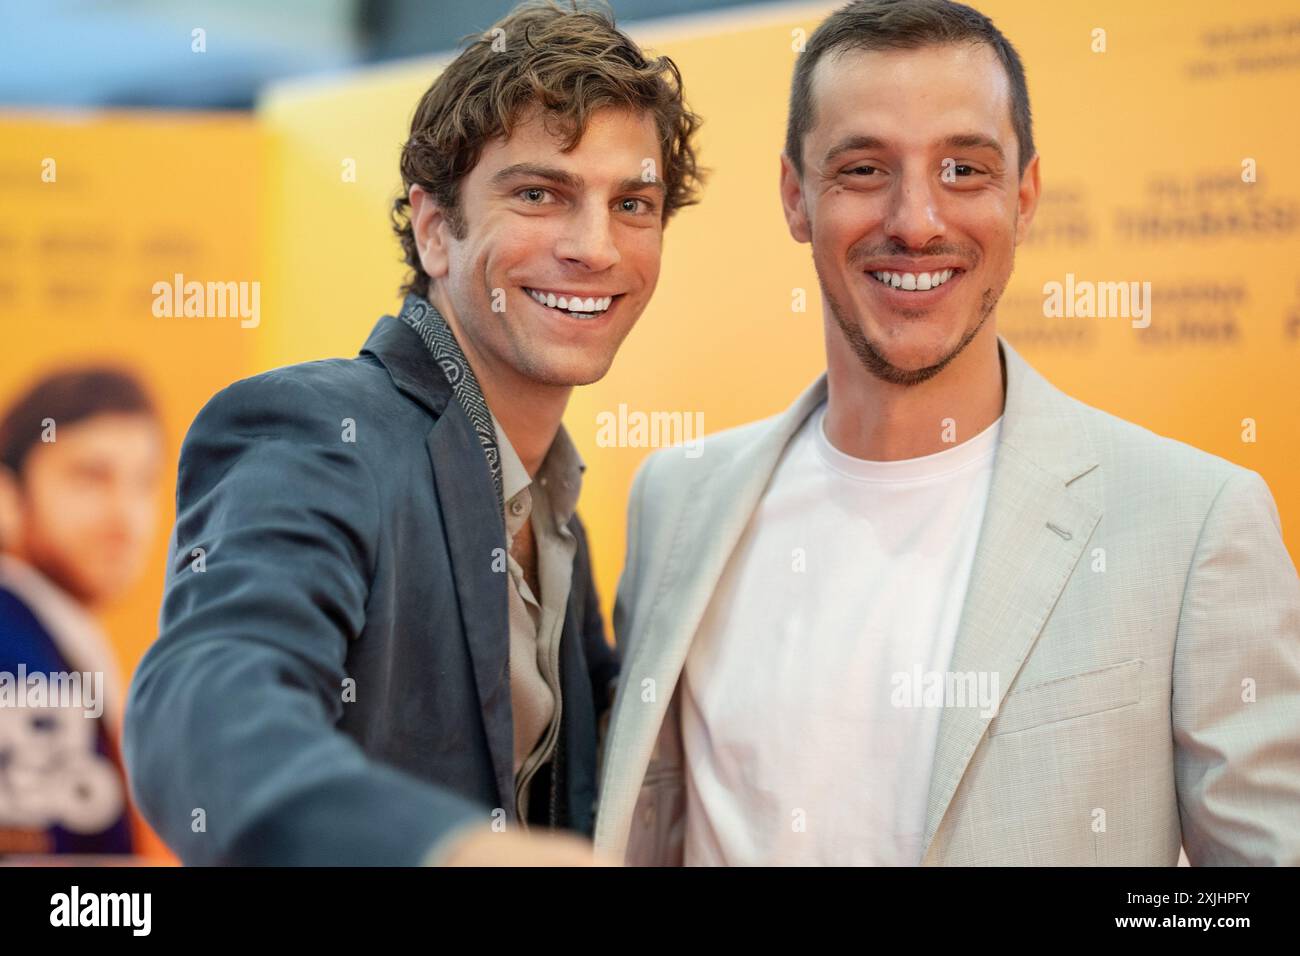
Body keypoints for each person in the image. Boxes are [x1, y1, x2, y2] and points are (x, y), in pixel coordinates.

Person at [596, 0, 1300, 865]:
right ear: (795, 197)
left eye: (965, 168)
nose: (917, 220)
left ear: (1025, 195)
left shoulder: (1193, 523)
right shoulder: (675, 503)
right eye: (862, 169)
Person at [124, 0, 701, 866]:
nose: (596, 246)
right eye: (540, 193)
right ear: (435, 229)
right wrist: (450, 852)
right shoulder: (318, 431)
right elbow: (204, 703)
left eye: (633, 204)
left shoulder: (550, 502)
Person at [0, 367, 163, 856]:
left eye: (144, 481)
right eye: (91, 476)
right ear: (8, 495)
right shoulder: (17, 648)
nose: (125, 515)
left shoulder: (56, 632)